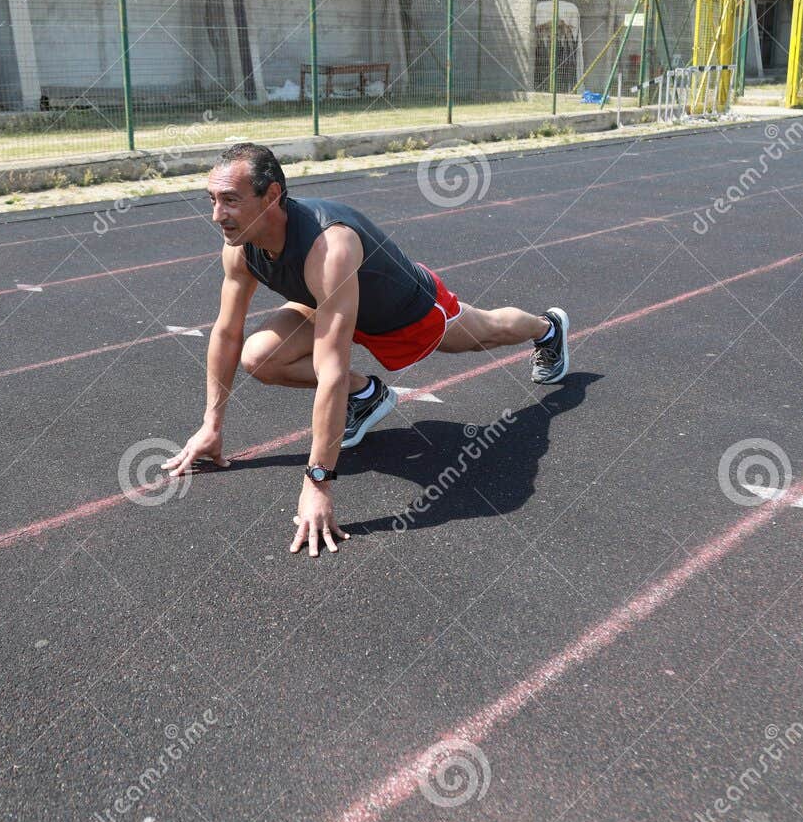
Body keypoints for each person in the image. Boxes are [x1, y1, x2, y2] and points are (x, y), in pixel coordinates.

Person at [163, 143, 569, 557]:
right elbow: (227, 333)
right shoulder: (239, 245)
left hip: (402, 311)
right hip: (323, 303)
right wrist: (212, 425)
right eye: (212, 200)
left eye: (231, 200)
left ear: (271, 196)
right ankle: (367, 396)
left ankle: (547, 327)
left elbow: (331, 371)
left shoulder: (329, 246)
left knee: (490, 330)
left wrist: (317, 483)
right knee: (259, 356)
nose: (217, 215)